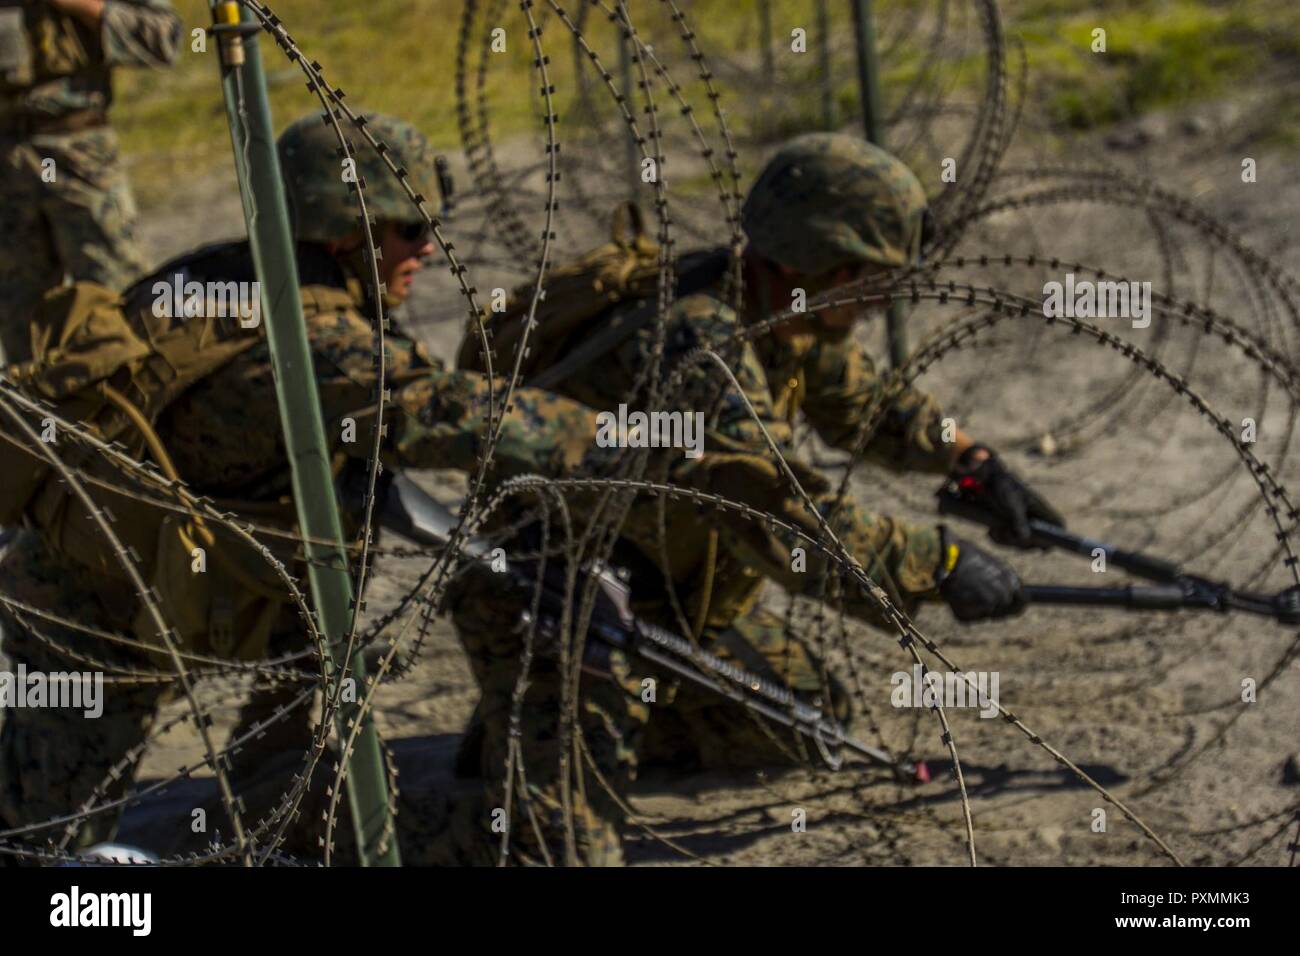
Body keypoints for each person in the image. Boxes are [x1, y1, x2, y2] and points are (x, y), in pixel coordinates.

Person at [0, 111, 608, 859]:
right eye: (411, 227)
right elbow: (448, 413)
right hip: (93, 605)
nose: (427, 247)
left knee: (326, 520)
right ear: (346, 234)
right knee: (42, 850)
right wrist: (625, 442)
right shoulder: (307, 342)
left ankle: (276, 780)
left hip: (162, 567)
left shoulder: (227, 271)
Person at [443, 133, 1065, 865]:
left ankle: (624, 711)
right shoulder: (702, 345)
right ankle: (519, 727)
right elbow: (780, 516)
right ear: (830, 264)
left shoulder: (782, 307)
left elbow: (871, 404)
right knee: (559, 848)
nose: (883, 298)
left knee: (806, 716)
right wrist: (939, 563)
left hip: (665, 598)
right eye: (875, 278)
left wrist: (972, 461)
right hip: (557, 602)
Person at [0, 0, 182, 366]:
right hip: (5, 158)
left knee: (125, 306)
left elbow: (165, 38)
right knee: (23, 331)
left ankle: (141, 413)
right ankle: (44, 420)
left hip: (78, 149)